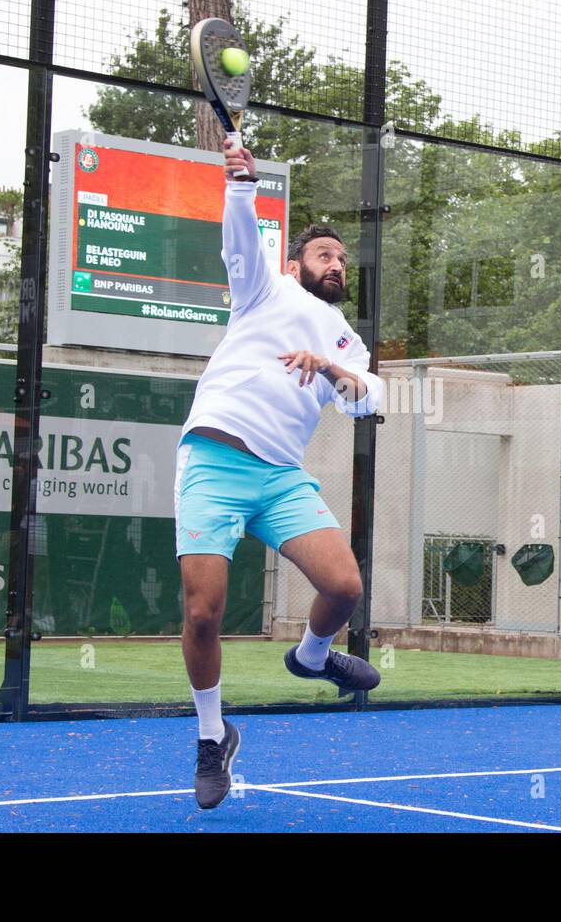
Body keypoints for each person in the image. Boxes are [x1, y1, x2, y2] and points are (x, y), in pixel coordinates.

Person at [176, 137, 386, 809]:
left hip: (279, 479)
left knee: (345, 586)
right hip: (212, 462)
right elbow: (239, 243)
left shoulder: (343, 336)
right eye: (324, 254)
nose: (336, 263)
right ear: (294, 264)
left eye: (342, 258)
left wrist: (328, 368)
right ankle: (213, 738)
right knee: (204, 611)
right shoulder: (263, 291)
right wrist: (242, 184)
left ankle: (313, 656)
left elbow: (371, 399)